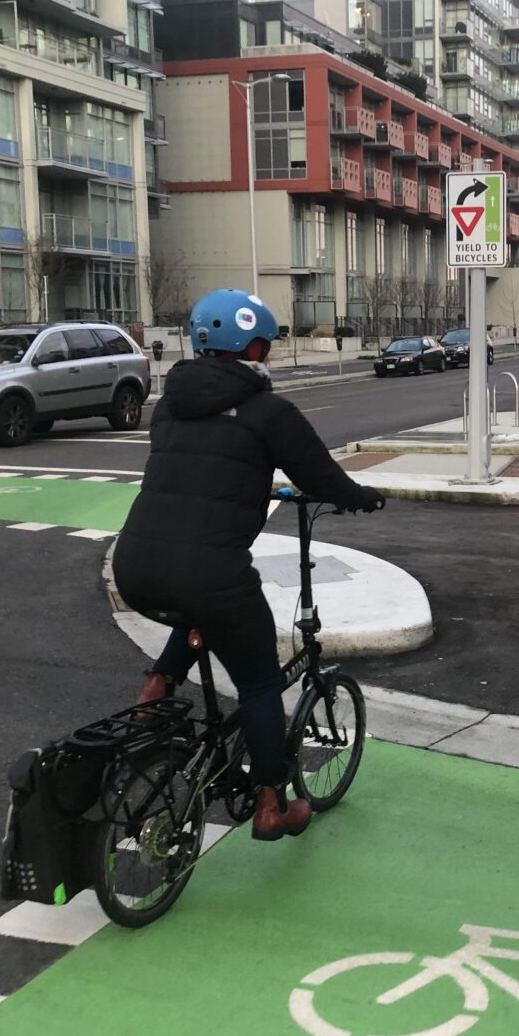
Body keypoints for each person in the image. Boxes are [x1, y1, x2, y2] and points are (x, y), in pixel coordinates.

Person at [113, 290, 385, 843]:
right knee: (259, 680)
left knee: (203, 610)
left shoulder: (170, 404)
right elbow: (322, 477)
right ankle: (270, 804)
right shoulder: (268, 412)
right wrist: (361, 498)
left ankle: (157, 686)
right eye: (265, 344)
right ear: (255, 347)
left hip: (136, 564)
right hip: (210, 572)